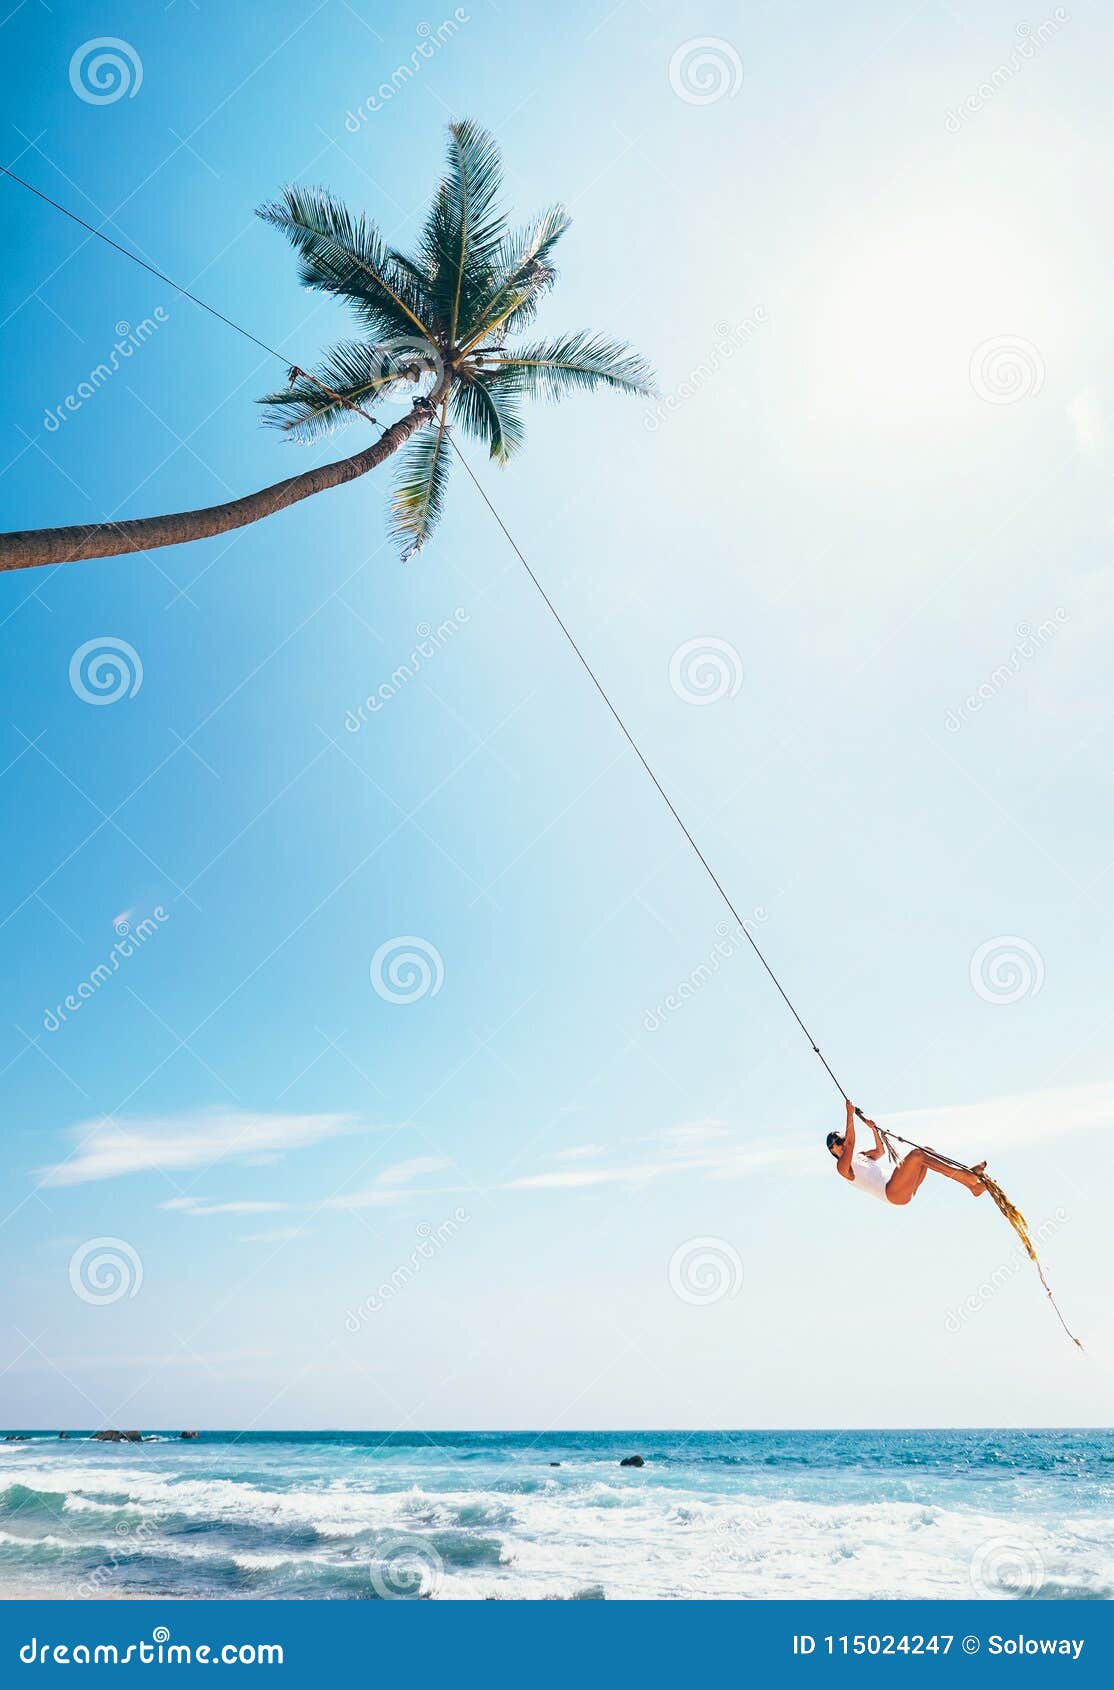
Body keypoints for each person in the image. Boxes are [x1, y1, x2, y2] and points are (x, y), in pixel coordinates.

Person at [827, 1099, 986, 1206]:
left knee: (927, 1151)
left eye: (841, 1140)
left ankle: (971, 1186)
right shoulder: (842, 1167)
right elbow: (850, 1143)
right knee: (917, 1155)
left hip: (903, 1187)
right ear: (832, 1150)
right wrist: (849, 1113)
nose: (841, 1144)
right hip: (892, 1192)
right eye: (837, 1143)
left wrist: (874, 1130)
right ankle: (967, 1176)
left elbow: (880, 1151)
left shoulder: (859, 1156)